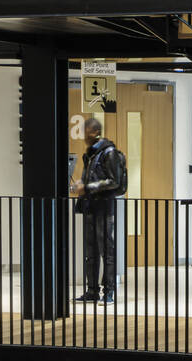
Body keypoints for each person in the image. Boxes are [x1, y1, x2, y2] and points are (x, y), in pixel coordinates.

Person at [73, 118, 123, 305]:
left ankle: (109, 292)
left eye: (85, 132)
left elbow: (114, 181)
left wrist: (88, 187)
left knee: (106, 252)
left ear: (93, 132)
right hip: (91, 207)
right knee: (90, 252)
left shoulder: (109, 153)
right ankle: (92, 291)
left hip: (104, 208)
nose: (83, 136)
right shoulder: (92, 154)